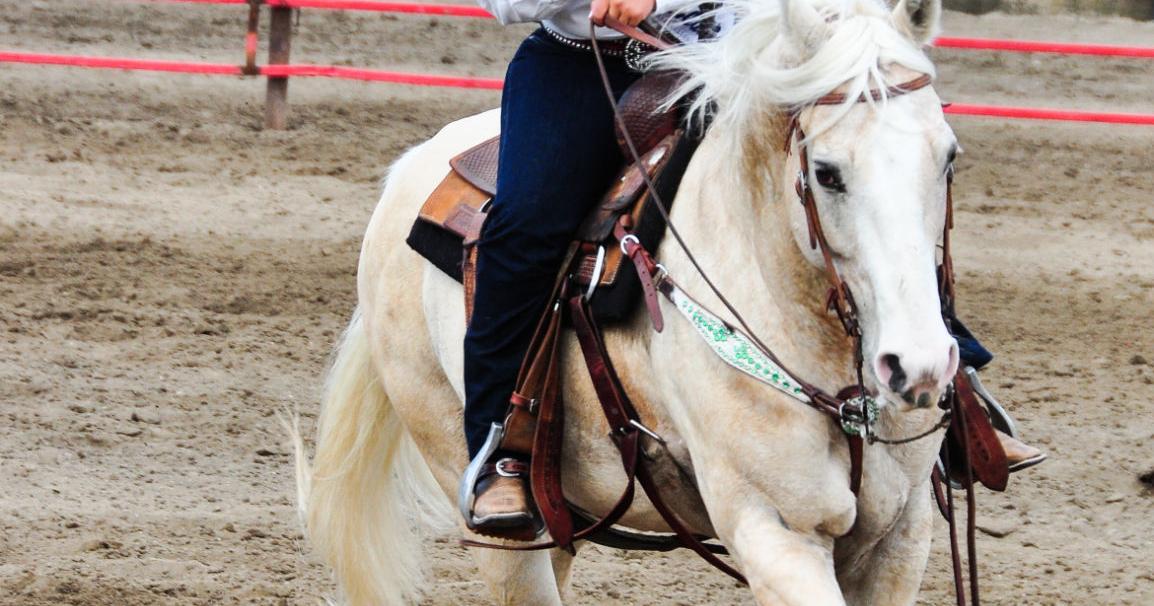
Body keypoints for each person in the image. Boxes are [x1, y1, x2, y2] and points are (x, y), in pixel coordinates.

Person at [459, 0, 1043, 537]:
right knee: (525, 225)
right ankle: (501, 447)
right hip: (588, 66)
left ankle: (951, 383)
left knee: (872, 176)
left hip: (744, 62)